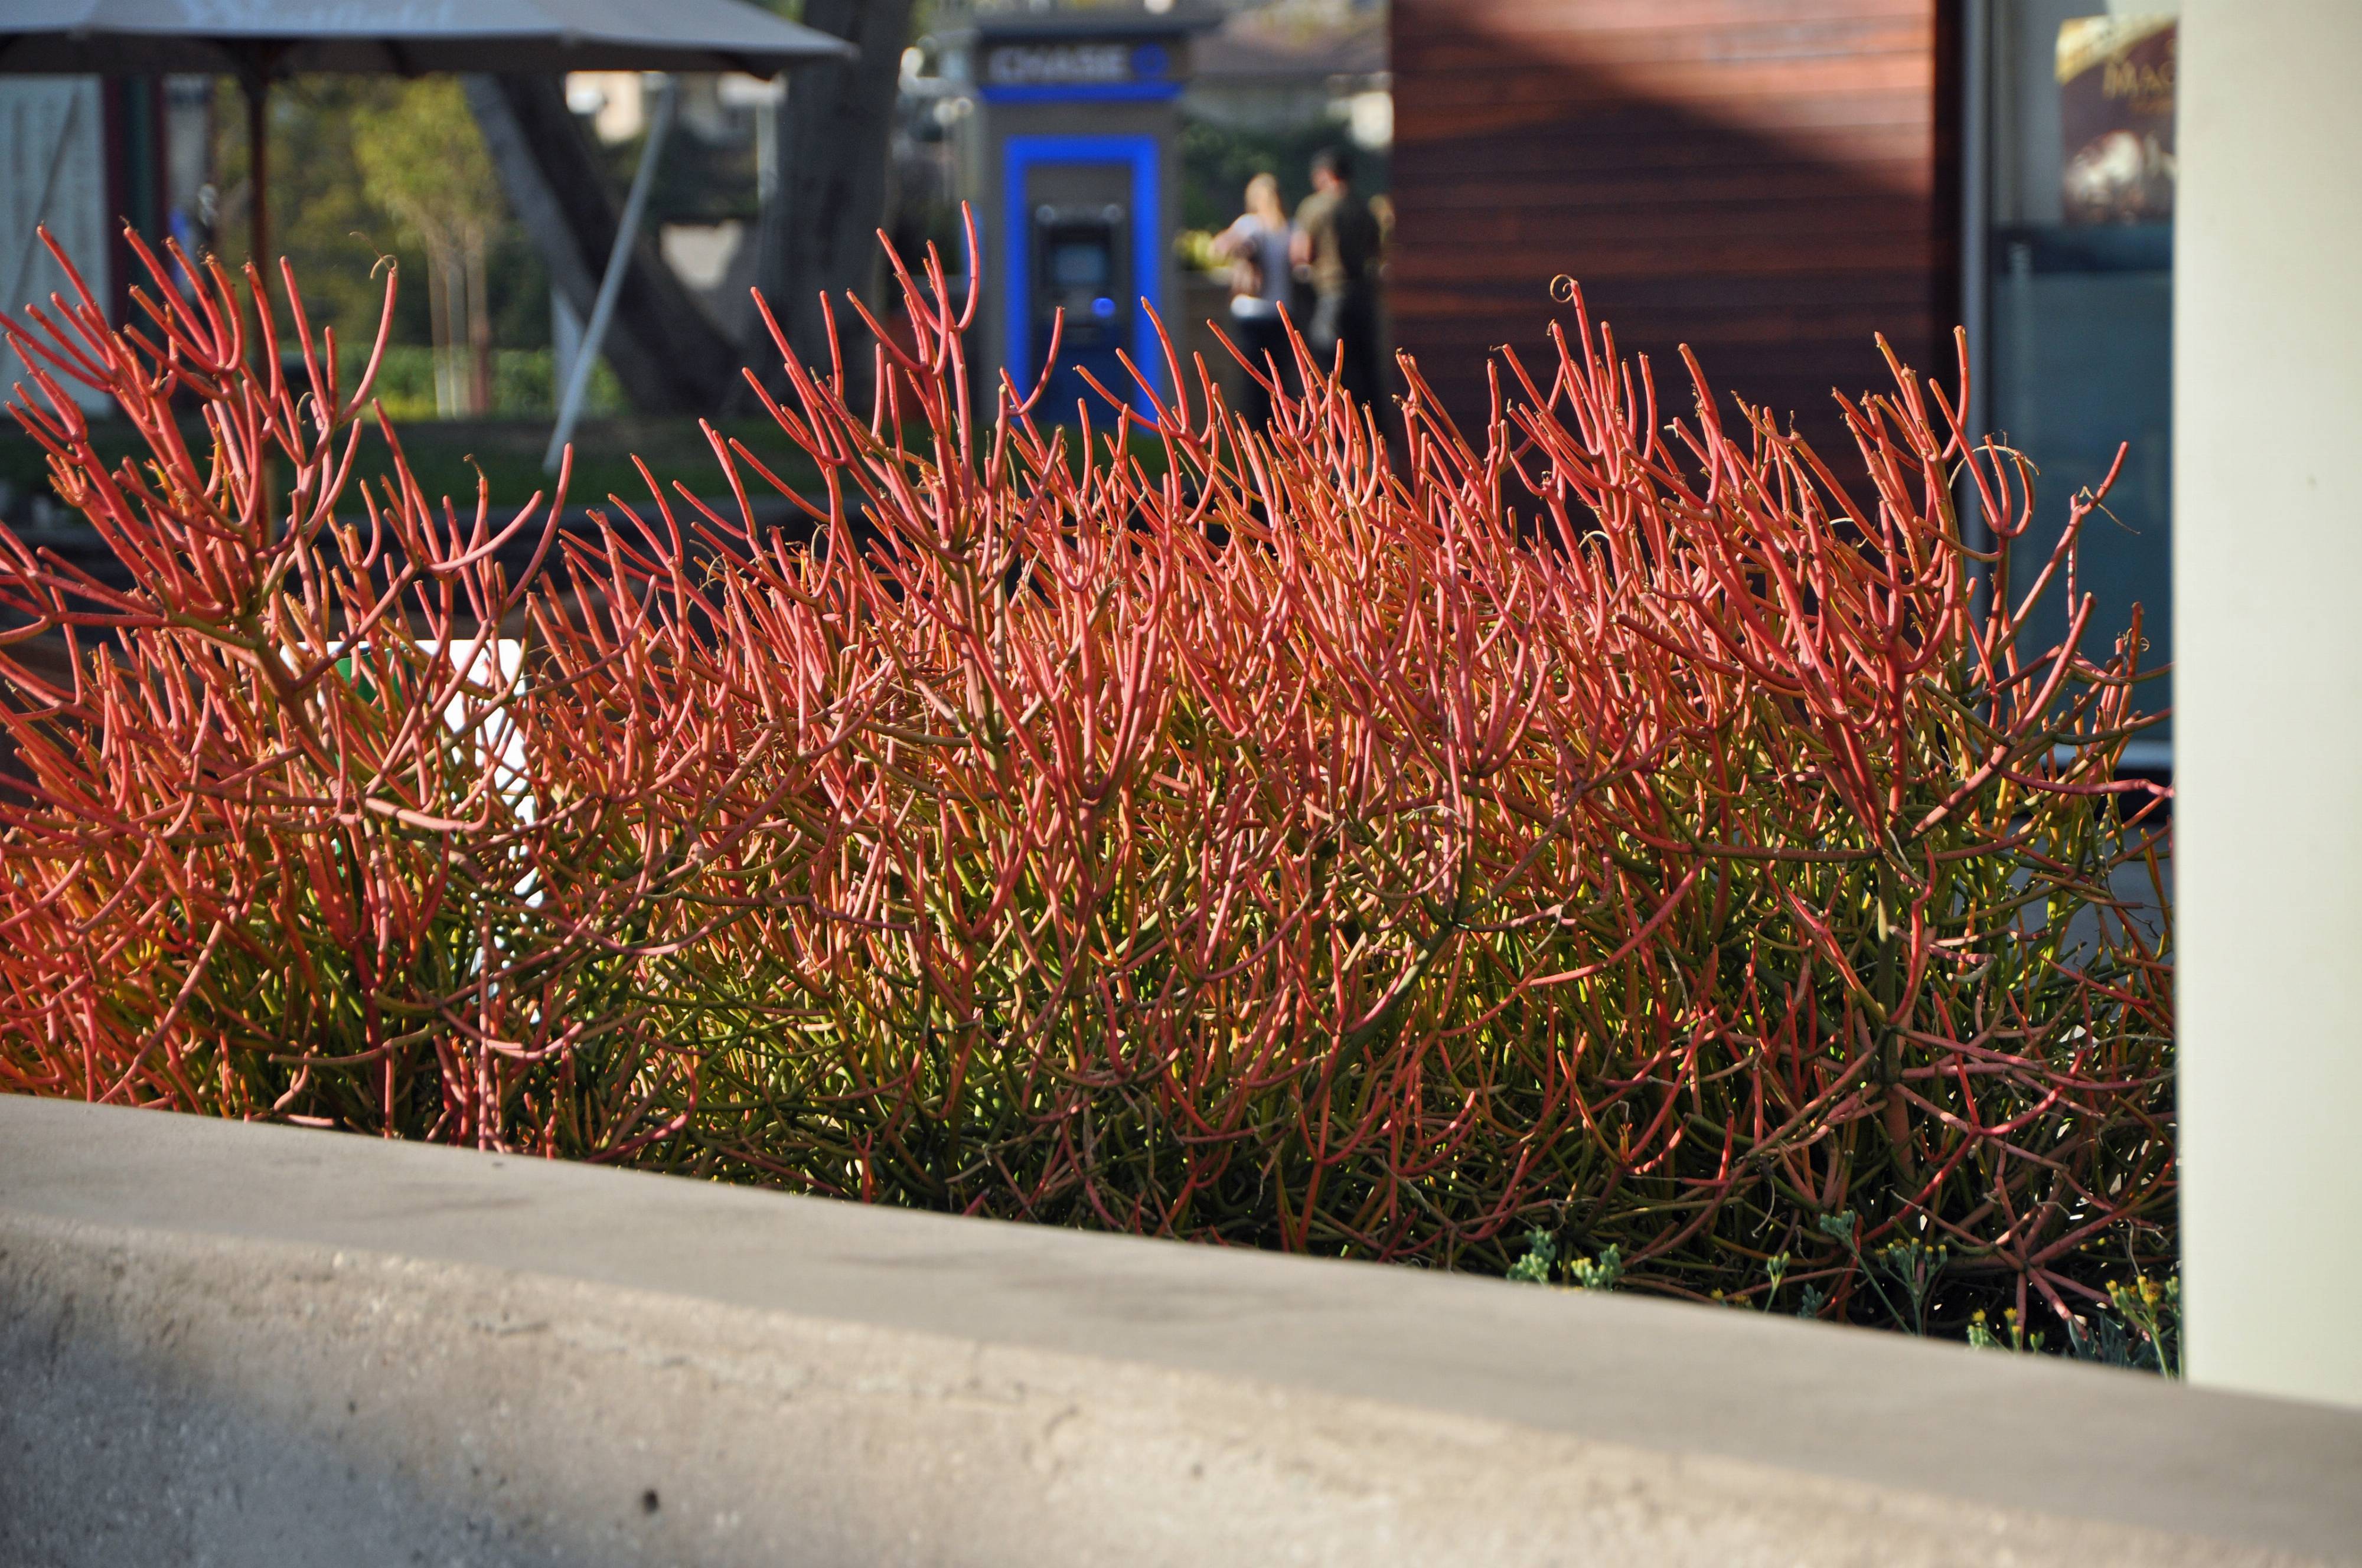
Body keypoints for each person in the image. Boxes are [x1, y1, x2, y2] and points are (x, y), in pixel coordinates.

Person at [1290, 146, 1384, 409]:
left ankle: (1340, 433)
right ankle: (1374, 436)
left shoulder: (1315, 207)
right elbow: (1377, 251)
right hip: (1364, 297)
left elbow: (1302, 253)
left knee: (1330, 367)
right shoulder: (1363, 207)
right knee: (1367, 368)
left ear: (1323, 175)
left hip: (1332, 296)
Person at [1211, 172, 1294, 429]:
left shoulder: (1249, 225)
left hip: (1249, 311)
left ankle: (1256, 436)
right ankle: (1280, 435)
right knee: (1280, 382)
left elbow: (1217, 249)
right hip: (1281, 313)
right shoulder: (1289, 228)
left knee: (1252, 380)